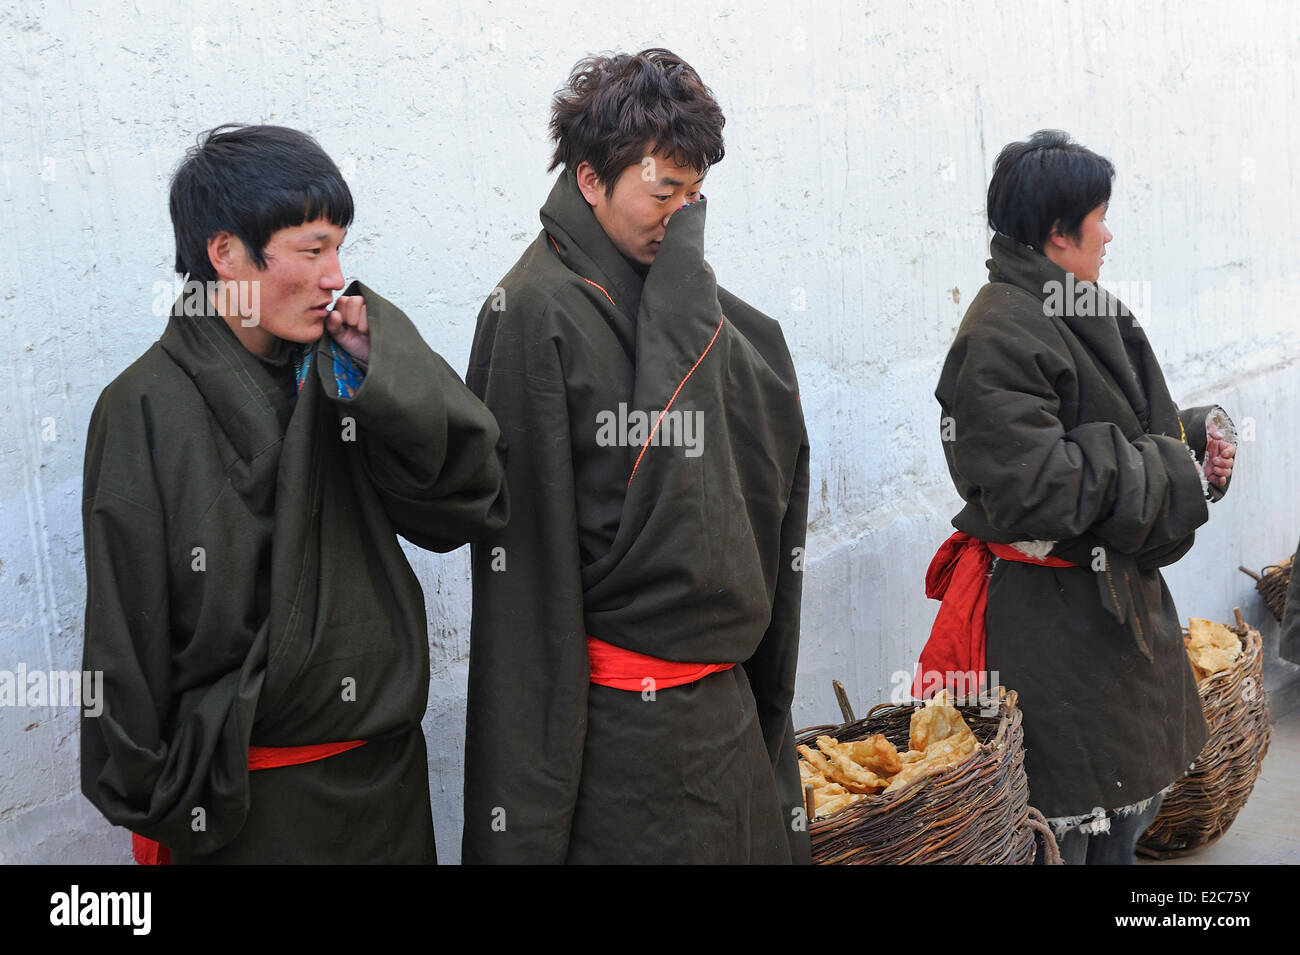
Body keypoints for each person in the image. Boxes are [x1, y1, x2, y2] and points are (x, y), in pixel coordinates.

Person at [80, 124, 508, 864]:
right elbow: (125, 628)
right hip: (244, 808)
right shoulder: (143, 407)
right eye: (312, 250)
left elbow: (461, 504)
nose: (333, 275)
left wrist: (389, 378)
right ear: (226, 254)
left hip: (385, 789)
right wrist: (157, 802)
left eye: (339, 247)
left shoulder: (342, 376)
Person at [462, 49, 810, 864]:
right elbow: (528, 584)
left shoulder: (681, 294)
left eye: (696, 194)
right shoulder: (533, 313)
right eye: (663, 192)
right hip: (623, 749)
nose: (682, 216)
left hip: (723, 715)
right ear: (590, 180)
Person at [919, 130, 1236, 864]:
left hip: (1110, 625)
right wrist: (1165, 465)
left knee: (1117, 836)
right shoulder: (1000, 330)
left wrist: (1191, 445)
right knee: (1067, 837)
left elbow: (1116, 435)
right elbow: (1035, 483)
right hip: (1052, 635)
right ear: (1059, 233)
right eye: (1099, 215)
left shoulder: (1078, 304)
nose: (1110, 230)